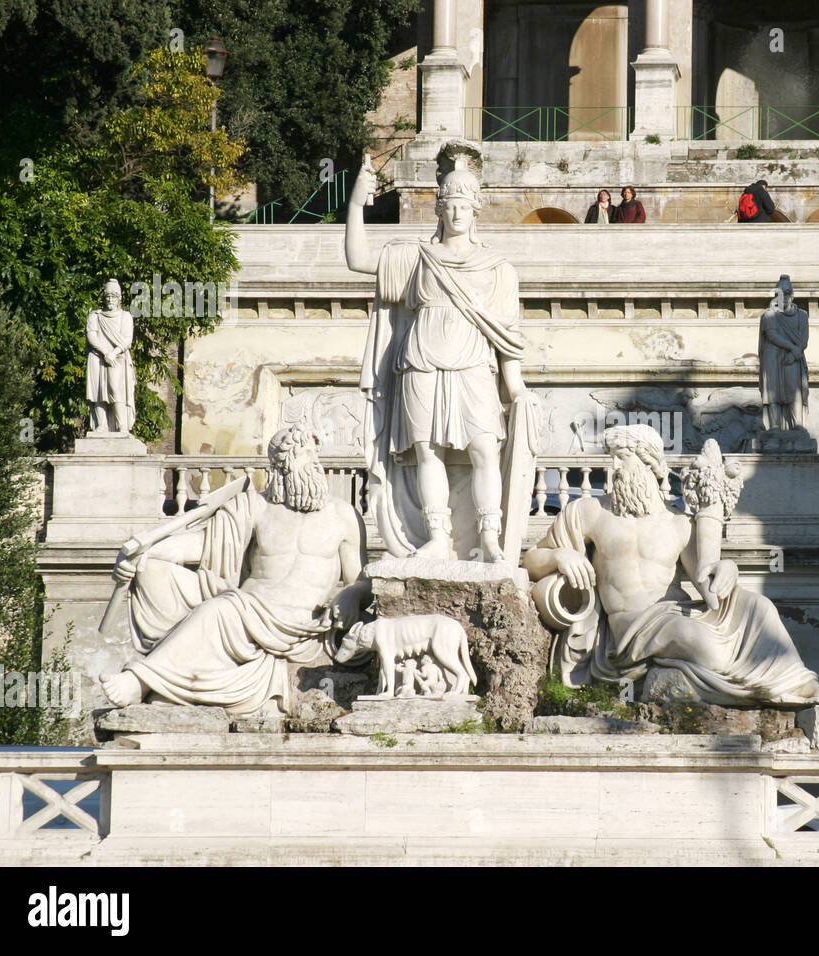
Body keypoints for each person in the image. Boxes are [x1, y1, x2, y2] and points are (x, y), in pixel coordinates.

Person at [523, 425, 819, 708]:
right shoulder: (589, 511)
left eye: (622, 458)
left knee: (758, 606)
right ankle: (765, 687)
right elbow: (532, 561)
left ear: (648, 463)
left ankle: (796, 682)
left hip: (672, 612)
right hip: (628, 629)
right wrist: (559, 557)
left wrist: (726, 569)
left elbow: (707, 582)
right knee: (702, 645)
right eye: (613, 458)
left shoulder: (678, 522)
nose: (614, 467)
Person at [346, 155, 538, 563]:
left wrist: (516, 385)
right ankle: (438, 537)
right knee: (426, 451)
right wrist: (356, 205)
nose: (455, 212)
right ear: (439, 208)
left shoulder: (499, 269)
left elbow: (507, 336)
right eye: (449, 204)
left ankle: (489, 537)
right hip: (420, 362)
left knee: (485, 448)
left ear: (475, 210)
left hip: (472, 363)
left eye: (463, 206)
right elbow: (358, 260)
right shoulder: (416, 257)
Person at [100, 425, 367, 717]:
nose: (314, 462)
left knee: (220, 610)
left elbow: (362, 579)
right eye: (303, 454)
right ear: (281, 467)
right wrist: (146, 554)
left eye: (314, 453)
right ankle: (158, 682)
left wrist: (352, 594)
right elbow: (203, 545)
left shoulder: (343, 515)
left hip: (305, 621)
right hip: (249, 610)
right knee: (158, 572)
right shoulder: (256, 507)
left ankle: (140, 680)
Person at [85, 278, 137, 434]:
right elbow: (91, 336)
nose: (110, 299)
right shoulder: (95, 316)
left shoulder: (125, 316)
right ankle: (101, 425)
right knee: (98, 391)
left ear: (119, 298)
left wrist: (113, 353)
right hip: (98, 356)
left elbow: (127, 339)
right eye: (107, 296)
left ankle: (122, 426)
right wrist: (105, 352)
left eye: (113, 296)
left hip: (117, 357)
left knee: (116, 389)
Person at [758, 275, 809, 432]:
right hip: (772, 357)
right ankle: (774, 426)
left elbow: (804, 339)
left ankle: (798, 424)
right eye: (779, 293)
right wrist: (792, 348)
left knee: (793, 388)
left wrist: (794, 353)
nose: (784, 297)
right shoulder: (769, 315)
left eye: (787, 293)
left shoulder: (802, 315)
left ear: (792, 295)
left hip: (793, 358)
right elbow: (772, 335)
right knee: (772, 391)